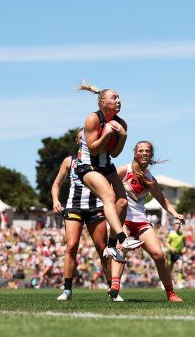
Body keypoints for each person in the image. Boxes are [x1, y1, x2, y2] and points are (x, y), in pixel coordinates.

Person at [108, 141, 184, 302]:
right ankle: (115, 286)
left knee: (159, 255)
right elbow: (107, 190)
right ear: (135, 153)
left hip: (141, 221)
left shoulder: (150, 179)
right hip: (124, 220)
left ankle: (171, 293)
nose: (144, 153)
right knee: (120, 250)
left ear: (151, 155)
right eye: (141, 150)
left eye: (147, 151)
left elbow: (164, 201)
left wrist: (175, 214)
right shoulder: (124, 170)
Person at [76, 82, 143, 262]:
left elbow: (114, 153)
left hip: (107, 166)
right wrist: (106, 134)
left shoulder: (123, 124)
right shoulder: (93, 119)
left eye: (119, 97)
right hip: (88, 166)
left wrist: (123, 136)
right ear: (103, 103)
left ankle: (111, 246)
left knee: (122, 202)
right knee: (109, 196)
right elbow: (94, 150)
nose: (119, 100)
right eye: (114, 97)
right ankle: (123, 239)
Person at [51, 127, 119, 301]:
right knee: (71, 246)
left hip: (96, 207)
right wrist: (55, 200)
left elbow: (113, 185)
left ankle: (113, 288)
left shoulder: (101, 160)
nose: (83, 140)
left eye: (86, 137)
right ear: (77, 141)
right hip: (74, 207)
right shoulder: (70, 161)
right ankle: (67, 290)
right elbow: (56, 184)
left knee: (103, 249)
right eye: (80, 138)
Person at [167, 222, 186, 288]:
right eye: (176, 227)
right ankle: (167, 283)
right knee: (170, 269)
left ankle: (179, 283)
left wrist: (184, 249)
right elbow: (167, 243)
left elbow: (185, 245)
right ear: (174, 227)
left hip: (179, 253)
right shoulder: (171, 235)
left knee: (180, 267)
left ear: (180, 227)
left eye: (178, 227)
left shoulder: (182, 236)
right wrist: (170, 248)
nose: (177, 228)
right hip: (172, 254)